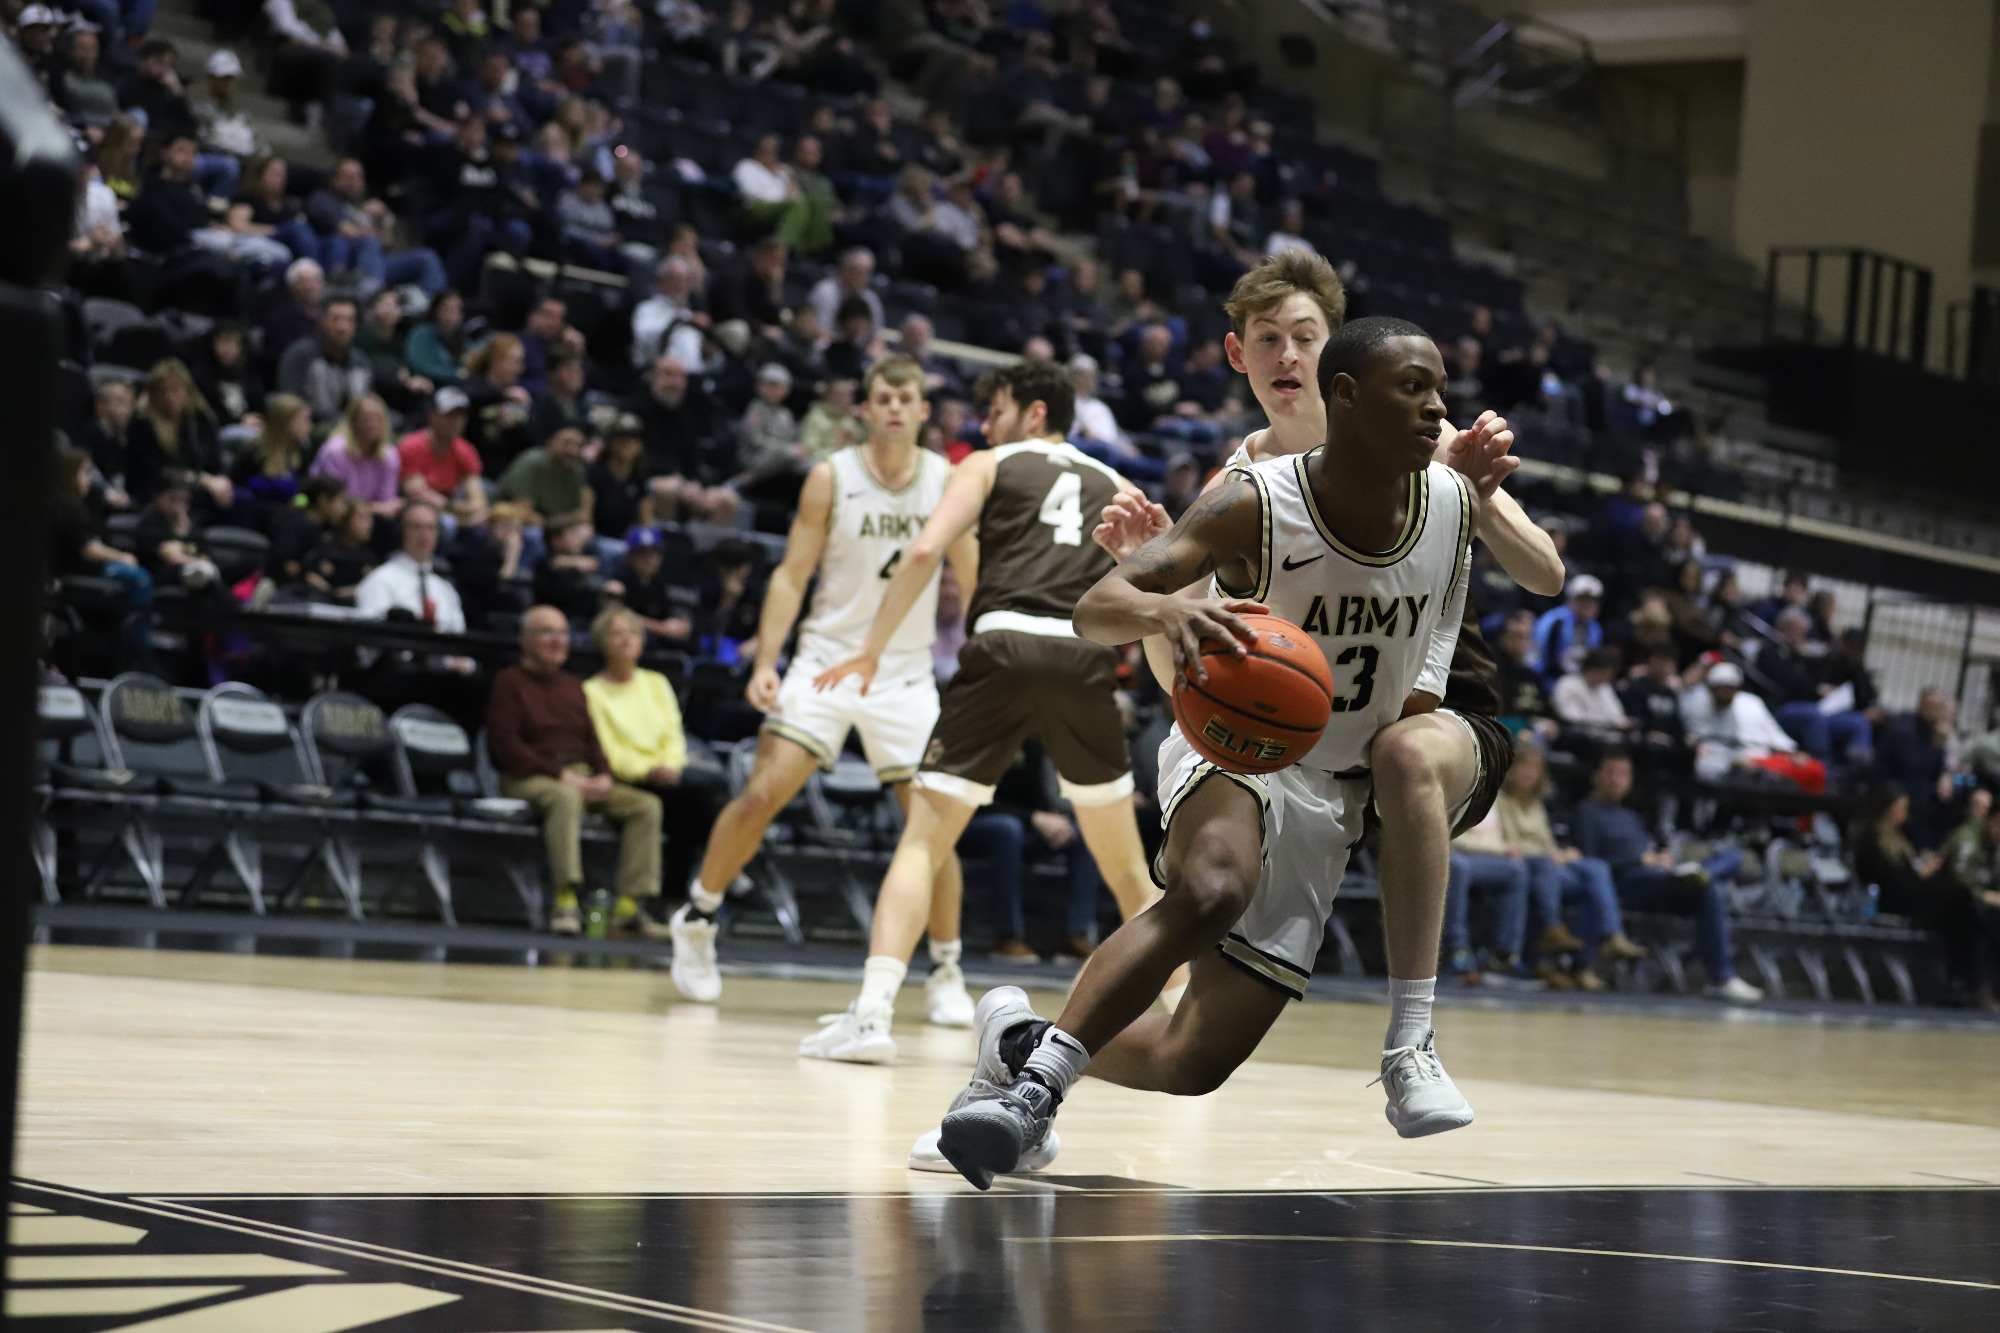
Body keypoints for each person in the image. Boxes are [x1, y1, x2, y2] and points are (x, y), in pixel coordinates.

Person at [922, 317, 1489, 1190]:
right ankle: (1032, 1096)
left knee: (1193, 1060)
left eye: (1439, 386)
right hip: (1236, 742)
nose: (1437, 404)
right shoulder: (1255, 498)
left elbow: (1418, 693)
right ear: (1346, 396)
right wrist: (1167, 611)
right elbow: (1098, 603)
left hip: (1328, 790)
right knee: (1213, 886)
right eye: (1413, 386)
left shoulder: (1453, 508)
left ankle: (1018, 1041)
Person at [1072, 254, 1560, 1156]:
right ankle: (1034, 1054)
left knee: (1408, 753)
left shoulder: (1413, 432)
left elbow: (1545, 572)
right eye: (1269, 340)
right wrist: (1150, 598)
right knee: (1193, 1053)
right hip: (1302, 750)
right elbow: (1185, 672)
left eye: (1305, 335)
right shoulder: (1238, 493)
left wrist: (1480, 492)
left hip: (1433, 705)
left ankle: (1411, 1040)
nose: (1287, 353)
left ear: (1335, 358)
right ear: (1237, 356)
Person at [806, 359, 1171, 1072]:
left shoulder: (986, 463)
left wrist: (871, 650)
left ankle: (872, 1014)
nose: (984, 423)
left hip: (1002, 645)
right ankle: (1188, 1007)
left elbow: (922, 549)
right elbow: (1158, 584)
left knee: (923, 840)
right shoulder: (1121, 484)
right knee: (1126, 864)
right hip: (1081, 653)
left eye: (996, 409)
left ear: (1034, 414)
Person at [666, 356, 971, 1007]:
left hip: (906, 672)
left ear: (923, 411)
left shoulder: (950, 480)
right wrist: (766, 661)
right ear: (864, 408)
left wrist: (985, 663)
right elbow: (789, 575)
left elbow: (974, 582)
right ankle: (696, 919)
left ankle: (945, 967)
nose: (893, 406)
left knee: (934, 825)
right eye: (882, 396)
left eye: (905, 397)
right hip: (827, 659)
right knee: (761, 794)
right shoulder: (831, 477)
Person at [486, 605, 666, 936]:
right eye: (548, 632)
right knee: (565, 798)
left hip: (579, 774)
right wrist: (562, 776)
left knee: (646, 806)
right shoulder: (508, 683)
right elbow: (507, 748)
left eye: (564, 633)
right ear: (526, 640)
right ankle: (565, 900)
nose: (558, 641)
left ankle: (628, 908)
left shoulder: (572, 685)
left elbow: (592, 739)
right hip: (528, 777)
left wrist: (603, 775)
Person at [1573, 751, 1763, 1003]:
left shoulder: (1630, 816)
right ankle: (1721, 973)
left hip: (1657, 879)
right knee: (1707, 888)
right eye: (1611, 772)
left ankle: (1721, 978)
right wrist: (1641, 861)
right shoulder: (1586, 812)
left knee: (1727, 864)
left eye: (1624, 774)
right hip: (1623, 883)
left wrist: (1660, 859)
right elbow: (1590, 864)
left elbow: (1646, 852)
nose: (1617, 780)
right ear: (1596, 776)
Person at [584, 606, 730, 908]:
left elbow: (673, 734)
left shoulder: (656, 683)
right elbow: (607, 748)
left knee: (689, 808)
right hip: (629, 778)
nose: (627, 640)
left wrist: (671, 766)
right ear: (602, 641)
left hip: (673, 777)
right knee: (701, 798)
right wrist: (648, 770)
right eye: (617, 633)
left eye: (633, 633)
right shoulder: (592, 691)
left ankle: (675, 897)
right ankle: (727, 873)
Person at [1493, 738, 1645, 989]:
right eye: (1524, 766)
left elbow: (1547, 842)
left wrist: (1563, 853)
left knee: (1594, 870)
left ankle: (1606, 942)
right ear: (1510, 769)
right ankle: (1551, 931)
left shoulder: (1536, 805)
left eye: (1535, 768)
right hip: (1523, 865)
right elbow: (1511, 842)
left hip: (1548, 866)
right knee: (1549, 867)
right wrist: (1551, 855)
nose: (1530, 773)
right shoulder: (1501, 801)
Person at [1855, 790, 2000, 1009]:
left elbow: (1905, 875)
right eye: (1901, 808)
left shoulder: (1898, 838)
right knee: (1961, 896)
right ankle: (1972, 986)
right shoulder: (1870, 839)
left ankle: (1964, 985)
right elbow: (1887, 879)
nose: (1905, 813)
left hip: (1910, 894)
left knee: (1964, 919)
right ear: (1887, 810)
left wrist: (1922, 869)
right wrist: (1922, 872)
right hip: (1889, 900)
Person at [1681, 662, 1824, 792]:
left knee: (1813, 769)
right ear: (1712, 689)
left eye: (1731, 688)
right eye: (1722, 688)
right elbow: (1697, 738)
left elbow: (1772, 731)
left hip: (1757, 758)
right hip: (1720, 761)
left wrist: (1792, 750)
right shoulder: (1698, 703)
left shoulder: (1751, 703)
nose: (1727, 692)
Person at [354, 501, 465, 633]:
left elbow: (459, 639)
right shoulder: (379, 580)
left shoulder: (445, 589)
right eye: (416, 527)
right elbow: (369, 641)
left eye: (431, 528)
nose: (424, 535)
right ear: (400, 531)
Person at [277, 297, 374, 422]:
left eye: (349, 320)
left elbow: (368, 405)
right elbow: (290, 405)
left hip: (353, 433)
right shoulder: (299, 355)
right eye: (335, 319)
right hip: (310, 429)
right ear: (321, 321)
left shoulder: (362, 362)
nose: (342, 327)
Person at [310, 394, 402, 518]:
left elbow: (388, 501)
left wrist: (378, 509)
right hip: (335, 516)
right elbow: (333, 501)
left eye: (377, 418)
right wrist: (375, 509)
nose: (372, 424)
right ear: (352, 421)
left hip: (373, 517)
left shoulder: (389, 454)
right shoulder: (335, 451)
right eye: (366, 418)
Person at [396, 388, 482, 510]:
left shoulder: (466, 450)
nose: (457, 421)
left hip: (448, 507)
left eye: (461, 416)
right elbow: (419, 494)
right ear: (432, 415)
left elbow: (478, 502)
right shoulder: (411, 446)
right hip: (412, 509)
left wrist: (449, 505)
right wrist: (460, 508)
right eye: (450, 415)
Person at [1534, 574, 1603, 683]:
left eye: (1591, 600)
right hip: (1549, 679)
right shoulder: (1554, 621)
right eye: (1581, 599)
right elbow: (1540, 657)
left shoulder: (1595, 628)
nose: (1587, 605)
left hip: (1580, 681)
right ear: (1570, 599)